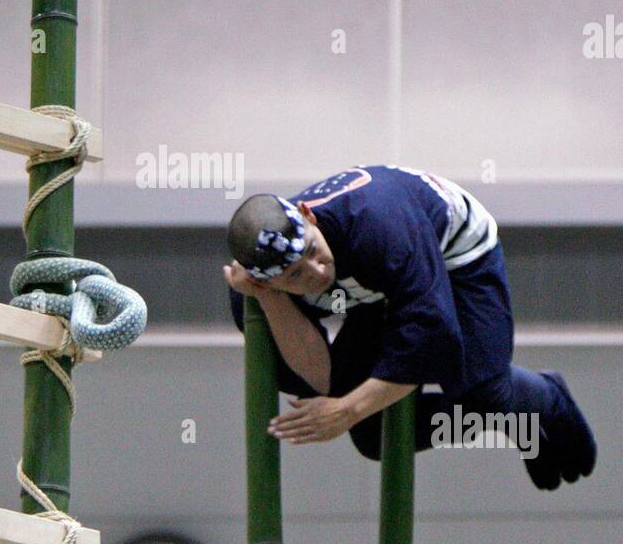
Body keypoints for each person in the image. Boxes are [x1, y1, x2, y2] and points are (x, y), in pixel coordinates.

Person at [224, 166, 597, 491]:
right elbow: (321, 377)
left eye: (311, 251)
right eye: (294, 277)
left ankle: (546, 397)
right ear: (265, 283)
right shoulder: (256, 296)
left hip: (450, 253)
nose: (317, 272)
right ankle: (498, 418)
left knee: (481, 393)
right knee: (377, 436)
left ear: (309, 216)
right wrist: (272, 300)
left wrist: (348, 410)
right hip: (371, 288)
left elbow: (433, 336)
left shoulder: (377, 225)